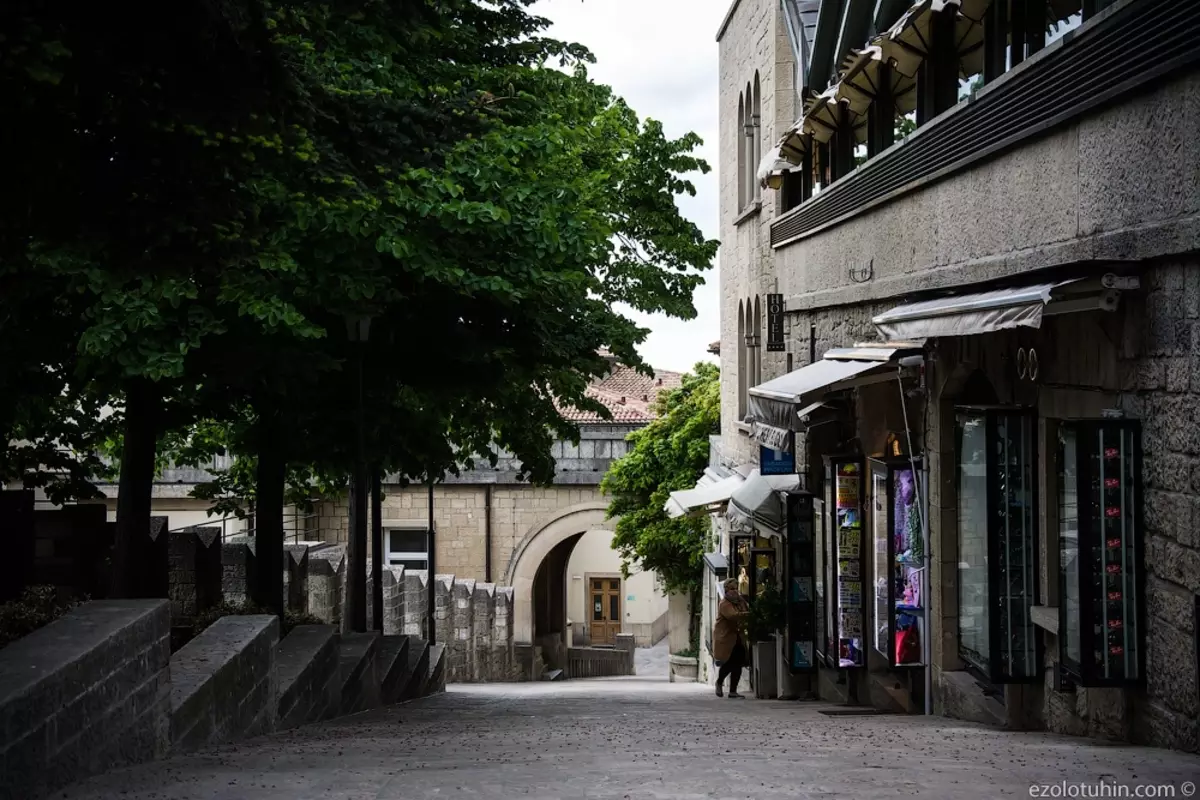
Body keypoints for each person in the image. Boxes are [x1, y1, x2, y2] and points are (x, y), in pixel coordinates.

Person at [713, 578, 750, 698]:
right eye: (731, 589)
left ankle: (733, 691)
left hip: (738, 636)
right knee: (729, 662)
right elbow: (732, 616)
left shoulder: (740, 601)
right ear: (726, 590)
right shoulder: (724, 603)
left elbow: (745, 610)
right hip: (726, 638)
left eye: (736, 589)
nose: (734, 591)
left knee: (738, 662)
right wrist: (747, 615)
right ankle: (719, 682)